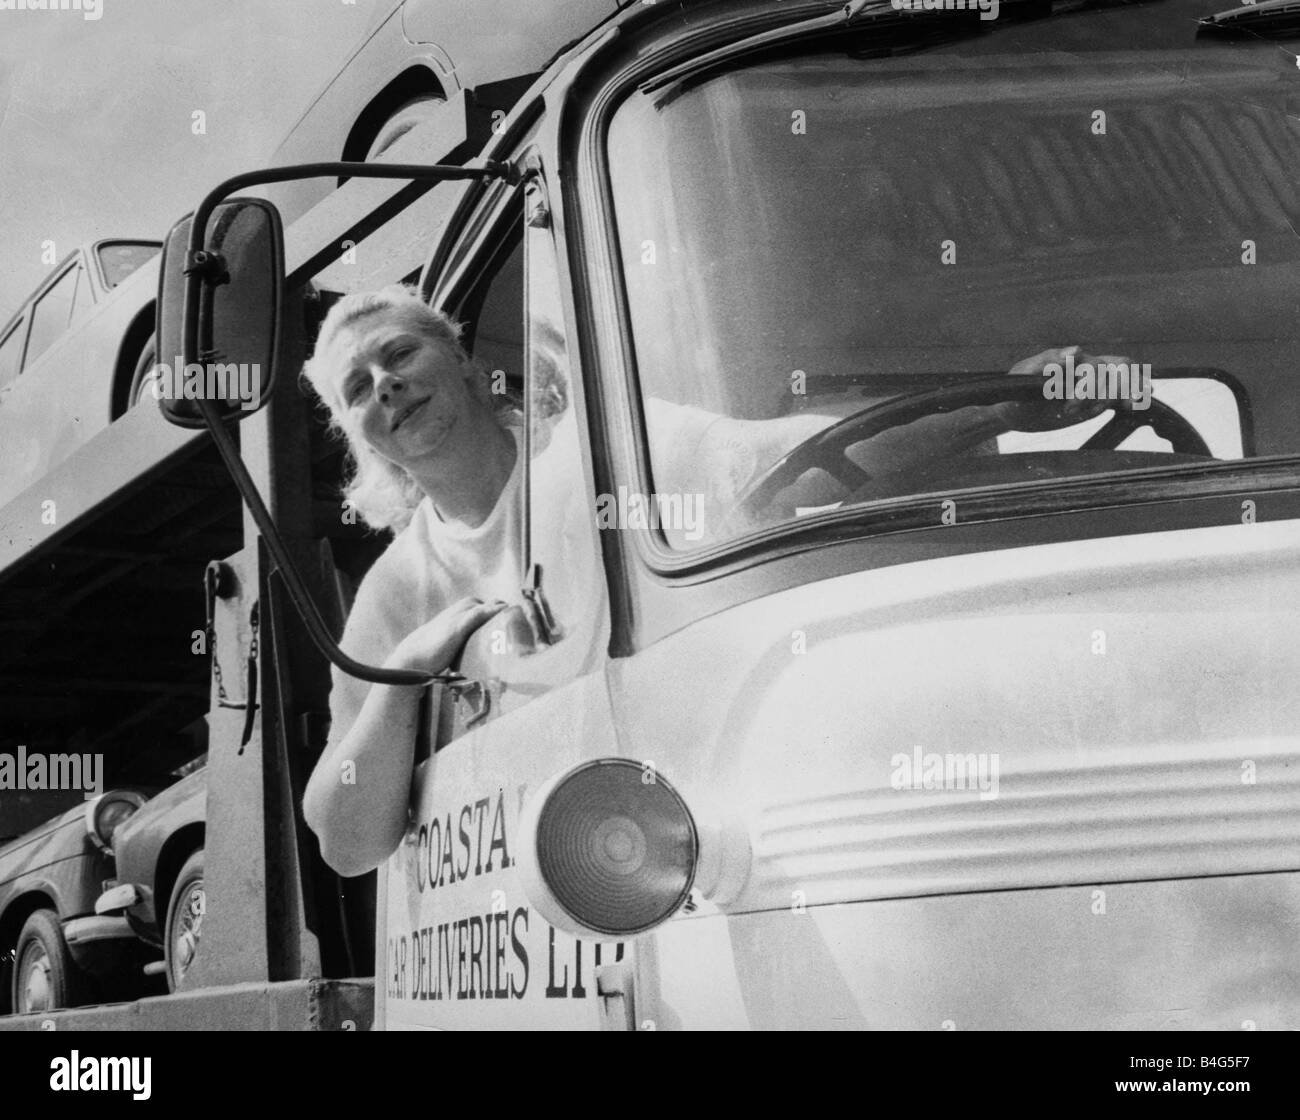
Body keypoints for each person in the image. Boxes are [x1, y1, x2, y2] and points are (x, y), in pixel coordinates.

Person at [301, 284, 1124, 875]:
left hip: (702, 841)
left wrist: (1000, 409)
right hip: (537, 910)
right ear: (363, 440)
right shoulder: (395, 590)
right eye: (358, 390)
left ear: (466, 363)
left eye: (400, 353)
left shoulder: (614, 453)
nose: (386, 386)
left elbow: (793, 463)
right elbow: (345, 839)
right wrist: (405, 677)